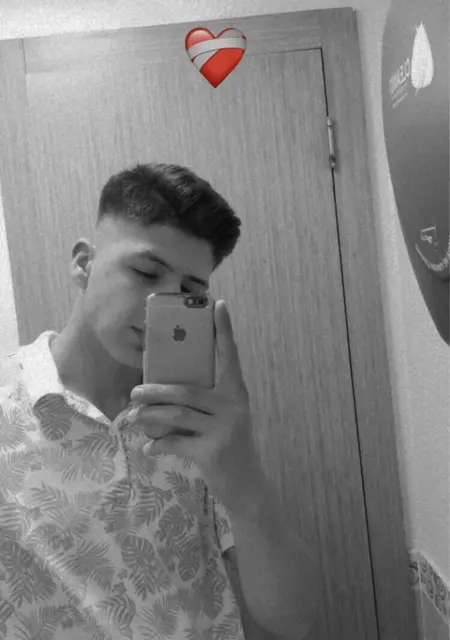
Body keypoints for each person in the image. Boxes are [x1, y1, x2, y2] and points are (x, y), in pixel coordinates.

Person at [0, 163, 318, 640]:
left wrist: (244, 478)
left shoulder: (201, 417)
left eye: (189, 292)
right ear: (84, 264)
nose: (162, 305)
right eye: (146, 272)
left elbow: (293, 620)